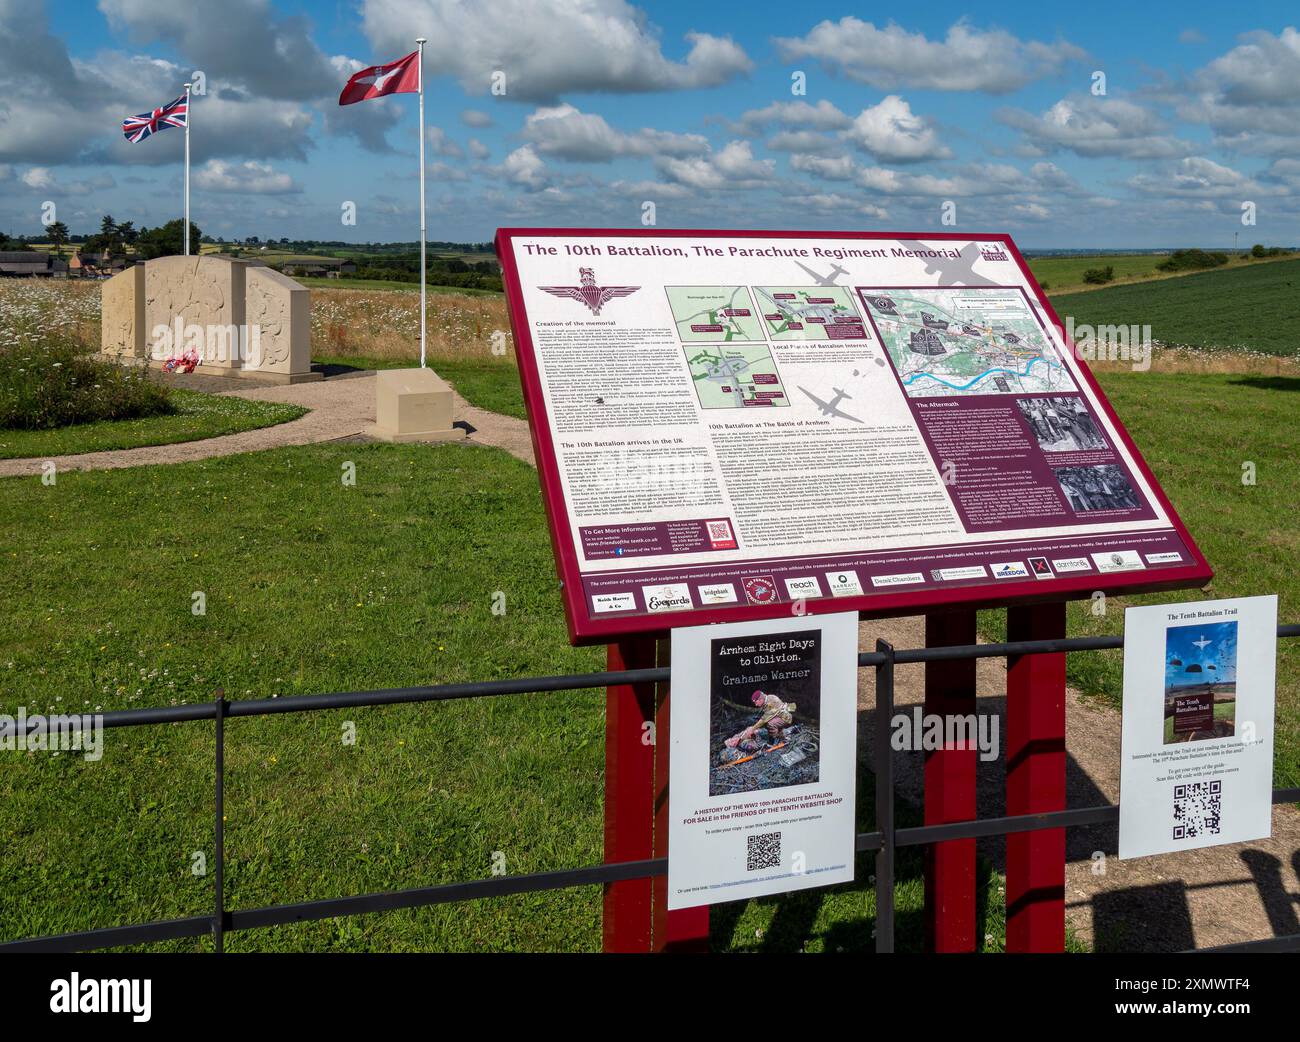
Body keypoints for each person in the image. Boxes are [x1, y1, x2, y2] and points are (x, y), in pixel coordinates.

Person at [725, 690, 796, 754]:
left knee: (770, 724)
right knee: (770, 725)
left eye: (756, 702)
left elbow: (765, 718)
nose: (756, 705)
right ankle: (784, 738)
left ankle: (770, 744)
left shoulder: (771, 701)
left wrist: (753, 729)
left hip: (785, 717)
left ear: (760, 699)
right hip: (779, 717)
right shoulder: (766, 701)